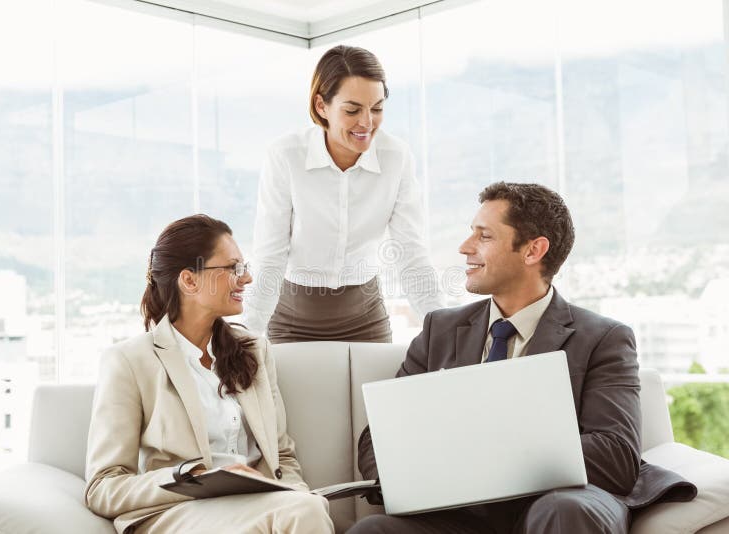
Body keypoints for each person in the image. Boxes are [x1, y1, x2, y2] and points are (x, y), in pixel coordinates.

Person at [351, 182, 695, 533]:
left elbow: (615, 454)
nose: (464, 247)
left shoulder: (603, 339)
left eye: (484, 237)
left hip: (560, 503)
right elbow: (378, 435)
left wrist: (488, 455)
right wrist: (411, 482)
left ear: (533, 251)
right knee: (373, 531)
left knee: (563, 511)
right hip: (460, 515)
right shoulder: (440, 328)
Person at [84, 214, 334, 534]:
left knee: (307, 506)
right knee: (303, 512)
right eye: (233, 268)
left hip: (259, 508)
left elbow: (282, 457)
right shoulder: (128, 361)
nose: (247, 279)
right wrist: (190, 475)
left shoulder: (254, 351)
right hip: (176, 513)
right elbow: (103, 487)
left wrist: (293, 494)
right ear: (189, 281)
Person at [242, 45, 444, 343]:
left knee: (375, 391)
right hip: (292, 320)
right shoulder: (287, 155)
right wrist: (248, 334)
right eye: (352, 110)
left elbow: (411, 253)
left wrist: (443, 328)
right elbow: (270, 256)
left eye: (376, 109)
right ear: (322, 106)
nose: (367, 122)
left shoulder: (396, 157)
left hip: (365, 318)